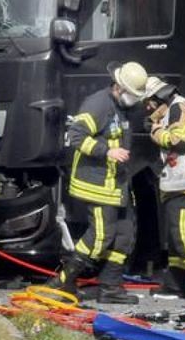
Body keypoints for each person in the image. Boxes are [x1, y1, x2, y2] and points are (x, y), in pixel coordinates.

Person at [48, 61, 148, 305]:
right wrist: (107, 152)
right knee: (101, 236)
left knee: (124, 235)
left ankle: (110, 287)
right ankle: (62, 281)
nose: (136, 100)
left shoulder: (121, 107)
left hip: (117, 183)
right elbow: (76, 135)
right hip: (97, 184)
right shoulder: (98, 104)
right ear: (119, 87)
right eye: (133, 95)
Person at [143, 76, 185, 299]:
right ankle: (175, 284)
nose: (147, 107)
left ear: (159, 97)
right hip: (177, 184)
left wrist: (155, 132)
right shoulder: (174, 108)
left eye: (149, 102)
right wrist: (154, 120)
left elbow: (180, 141)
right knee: (174, 239)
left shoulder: (178, 107)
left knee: (183, 237)